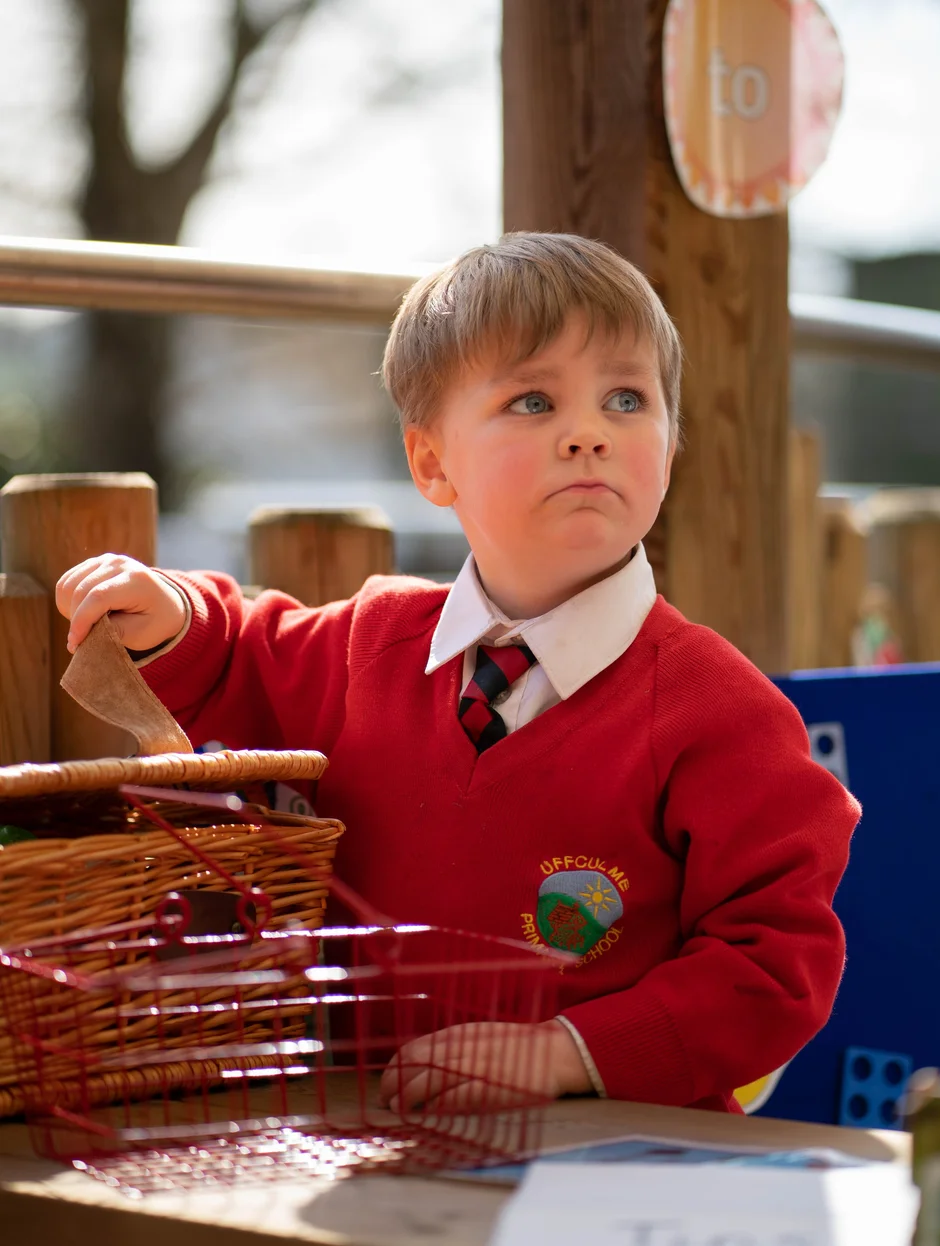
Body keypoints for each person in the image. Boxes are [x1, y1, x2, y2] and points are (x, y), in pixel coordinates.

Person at [56, 232, 859, 1115]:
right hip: (367, 1127)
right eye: (533, 401)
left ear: (668, 449)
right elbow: (247, 654)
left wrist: (565, 1055)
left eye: (627, 399)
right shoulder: (371, 644)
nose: (589, 433)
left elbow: (775, 962)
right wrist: (173, 614)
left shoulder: (724, 710)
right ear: (433, 463)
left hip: (617, 1148)